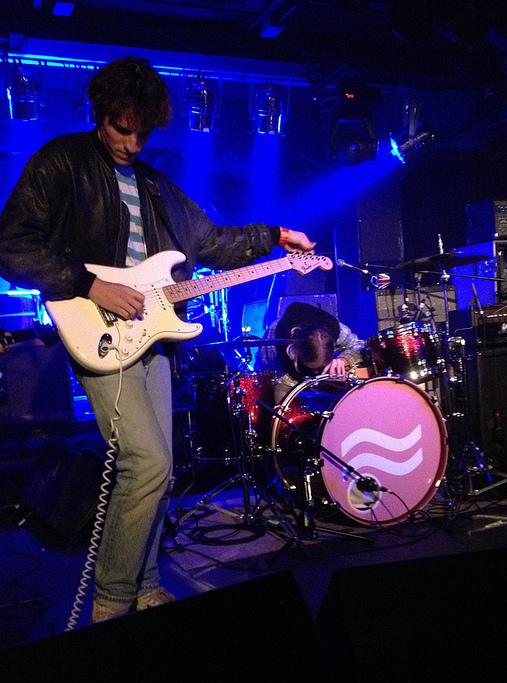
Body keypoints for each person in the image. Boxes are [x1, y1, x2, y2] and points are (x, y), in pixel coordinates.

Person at [0, 56, 315, 624]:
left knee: (161, 468)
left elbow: (212, 241)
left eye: (143, 130)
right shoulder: (62, 161)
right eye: (123, 127)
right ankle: (111, 604)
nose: (133, 141)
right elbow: (11, 243)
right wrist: (90, 284)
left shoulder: (155, 184)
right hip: (101, 330)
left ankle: (145, 586)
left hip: (158, 336)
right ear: (101, 113)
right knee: (144, 462)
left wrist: (274, 236)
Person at [257, 301, 365, 403]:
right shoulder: (277, 344)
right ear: (296, 352)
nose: (318, 372)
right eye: (315, 368)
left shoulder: (332, 326)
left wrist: (344, 359)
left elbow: (360, 345)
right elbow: (280, 386)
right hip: (284, 376)